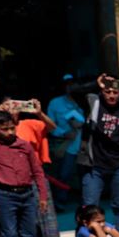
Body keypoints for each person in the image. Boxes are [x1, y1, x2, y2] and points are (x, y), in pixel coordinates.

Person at [77, 74, 119, 237]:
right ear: (102, 92)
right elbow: (76, 93)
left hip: (118, 166)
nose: (111, 95)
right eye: (107, 92)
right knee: (90, 207)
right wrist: (95, 84)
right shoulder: (93, 103)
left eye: (115, 92)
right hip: (94, 166)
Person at [46, 75, 85, 205]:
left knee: (85, 175)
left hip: (84, 145)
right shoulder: (55, 103)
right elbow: (50, 126)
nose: (71, 87)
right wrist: (64, 133)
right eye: (68, 84)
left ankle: (87, 202)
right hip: (67, 145)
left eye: (74, 84)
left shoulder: (85, 101)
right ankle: (60, 201)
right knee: (63, 175)